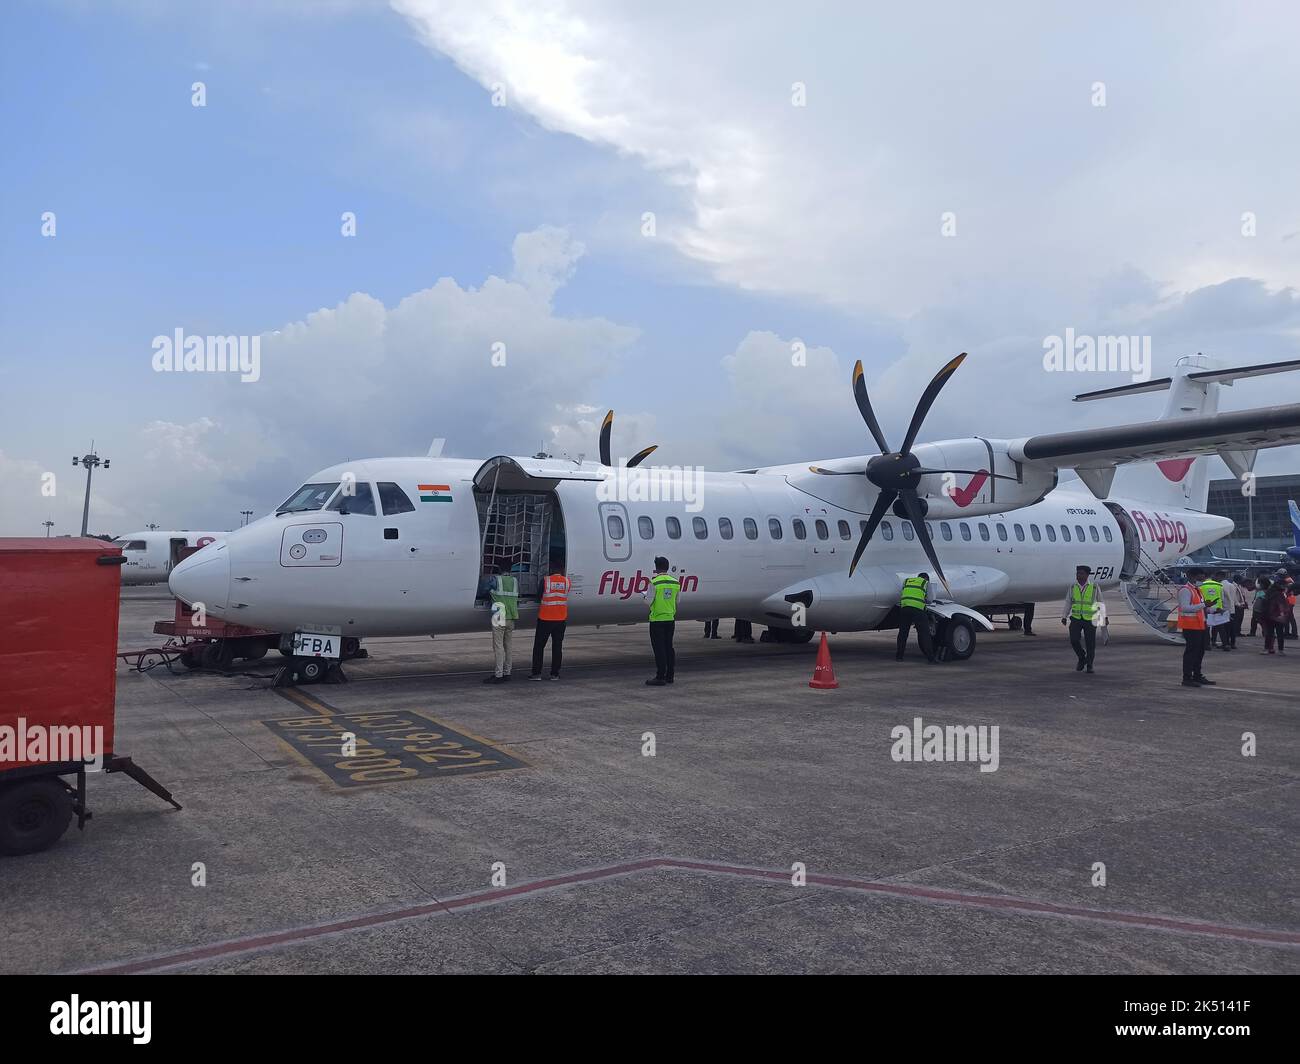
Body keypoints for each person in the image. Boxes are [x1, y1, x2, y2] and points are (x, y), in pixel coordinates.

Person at [643, 556, 681, 686]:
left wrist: (644, 595)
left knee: (659, 649)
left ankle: (660, 676)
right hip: (670, 619)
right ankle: (670, 675)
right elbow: (677, 601)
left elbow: (648, 601)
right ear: (667, 567)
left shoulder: (654, 582)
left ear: (656, 568)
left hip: (657, 620)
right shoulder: (675, 582)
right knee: (669, 647)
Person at [1060, 564, 1104, 673]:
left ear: (1087, 575)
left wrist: (1103, 618)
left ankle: (1089, 665)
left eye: (1081, 573)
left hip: (1090, 619)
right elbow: (1068, 602)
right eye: (1077, 573)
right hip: (1076, 618)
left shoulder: (1094, 587)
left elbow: (1100, 602)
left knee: (1090, 644)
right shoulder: (1073, 587)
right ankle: (1081, 657)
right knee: (1074, 640)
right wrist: (1064, 616)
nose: (1078, 575)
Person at [530, 559, 569, 680]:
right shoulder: (567, 582)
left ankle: (536, 674)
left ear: (551, 570)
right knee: (557, 647)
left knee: (539, 647)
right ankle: (555, 674)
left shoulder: (546, 581)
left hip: (545, 618)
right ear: (562, 570)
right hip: (561, 619)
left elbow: (538, 597)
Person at [1177, 568, 1214, 687]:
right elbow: (1185, 608)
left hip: (1201, 625)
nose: (1202, 581)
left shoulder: (1197, 590)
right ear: (1191, 577)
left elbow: (1201, 608)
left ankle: (1197, 675)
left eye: (1203, 578)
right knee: (1191, 653)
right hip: (1191, 626)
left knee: (1200, 652)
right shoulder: (1185, 590)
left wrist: (1213, 610)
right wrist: (1204, 605)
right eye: (1200, 578)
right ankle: (1187, 678)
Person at [483, 561, 518, 683]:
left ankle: (498, 675)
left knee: (498, 647)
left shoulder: (495, 579)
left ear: (499, 569)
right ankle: (507, 673)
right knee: (508, 646)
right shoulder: (515, 581)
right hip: (511, 616)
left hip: (498, 616)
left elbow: (485, 589)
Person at [896, 572, 934, 662]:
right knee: (924, 633)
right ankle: (931, 658)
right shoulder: (926, 583)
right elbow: (929, 600)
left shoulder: (907, 581)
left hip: (904, 608)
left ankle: (899, 656)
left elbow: (903, 594)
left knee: (903, 633)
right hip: (917, 610)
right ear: (927, 578)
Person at [1203, 571, 1231, 650]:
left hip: (1206, 608)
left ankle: (1207, 645)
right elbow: (1222, 598)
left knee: (1207, 628)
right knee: (1221, 628)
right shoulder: (1219, 585)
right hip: (1217, 608)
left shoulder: (1202, 585)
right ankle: (1225, 645)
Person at [1262, 578, 1289, 655]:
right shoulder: (1280, 594)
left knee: (1269, 633)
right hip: (1278, 617)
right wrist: (1283, 614)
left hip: (1269, 616)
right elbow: (1282, 606)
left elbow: (1265, 604)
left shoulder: (1269, 592)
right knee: (1280, 633)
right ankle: (1280, 650)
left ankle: (1267, 649)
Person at [1225, 576, 1248, 649]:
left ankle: (1237, 632)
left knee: (1238, 620)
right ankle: (1232, 639)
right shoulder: (1233, 586)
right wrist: (1238, 604)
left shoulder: (1238, 586)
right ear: (1238, 579)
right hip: (1236, 606)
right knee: (1234, 623)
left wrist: (1243, 603)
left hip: (1239, 605)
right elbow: (1234, 597)